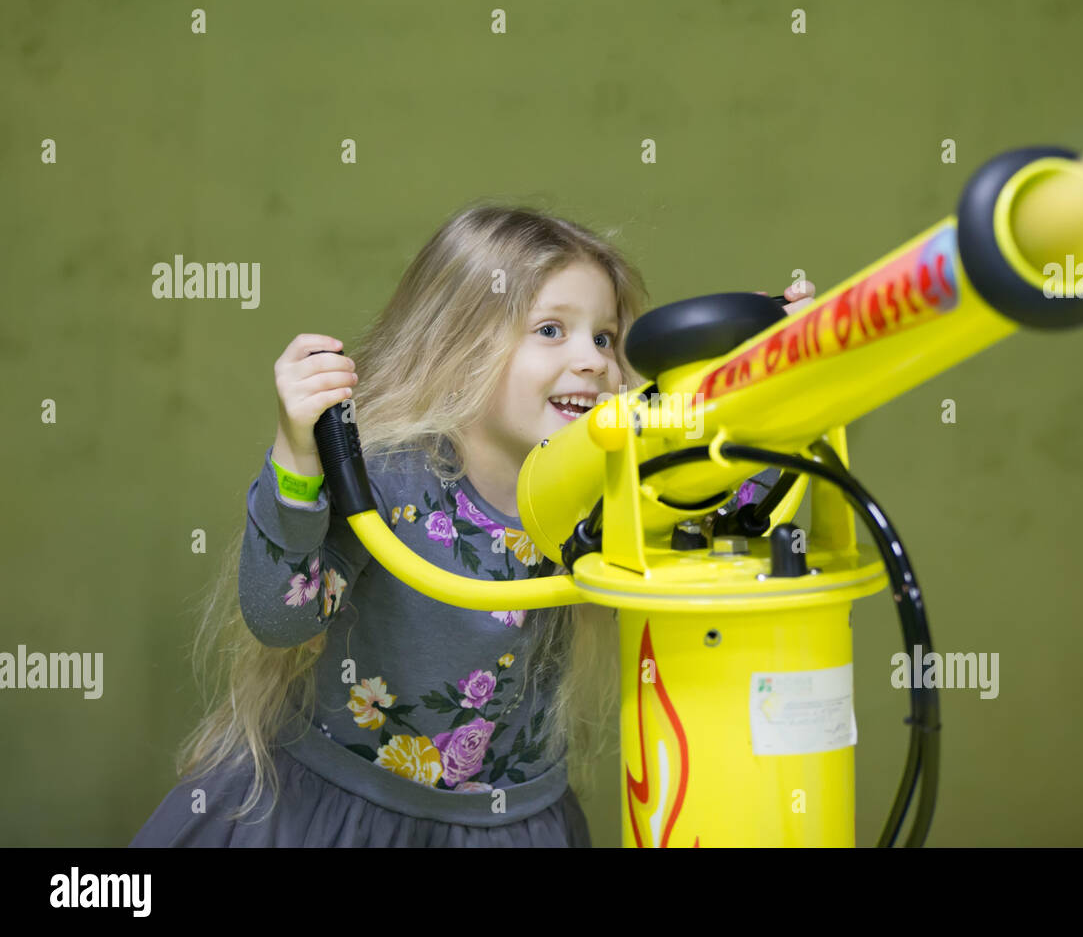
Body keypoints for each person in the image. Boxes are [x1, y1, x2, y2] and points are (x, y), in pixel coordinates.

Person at [129, 203, 814, 847]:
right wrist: (297, 459)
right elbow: (282, 617)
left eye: (605, 337)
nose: (595, 360)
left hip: (508, 823)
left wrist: (777, 378)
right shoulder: (390, 478)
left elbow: (731, 505)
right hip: (340, 810)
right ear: (460, 346)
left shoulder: (604, 490)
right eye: (552, 330)